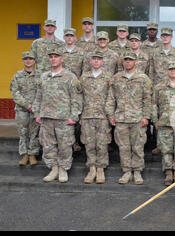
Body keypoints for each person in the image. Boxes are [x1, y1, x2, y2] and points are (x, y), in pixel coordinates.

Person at [33, 48, 82, 183]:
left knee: (65, 145)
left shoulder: (70, 77)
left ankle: (63, 169)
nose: (53, 59)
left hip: (64, 118)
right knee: (48, 145)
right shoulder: (44, 76)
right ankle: (53, 168)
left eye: (56, 56)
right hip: (46, 117)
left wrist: (74, 116)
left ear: (62, 59)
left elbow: (76, 98)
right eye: (51, 57)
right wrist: (37, 113)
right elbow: (38, 96)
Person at [106, 52, 153, 185]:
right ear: (122, 62)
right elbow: (111, 98)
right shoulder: (116, 78)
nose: (128, 62)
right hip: (121, 118)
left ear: (135, 62)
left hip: (137, 118)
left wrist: (146, 116)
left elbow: (147, 99)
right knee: (123, 147)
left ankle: (137, 171)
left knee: (137, 146)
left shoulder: (143, 78)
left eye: (130, 60)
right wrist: (110, 115)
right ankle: (126, 171)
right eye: (125, 60)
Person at [79, 51, 113, 184]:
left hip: (103, 115)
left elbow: (112, 97)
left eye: (99, 59)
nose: (96, 61)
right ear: (90, 61)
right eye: (94, 59)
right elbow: (79, 97)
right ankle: (92, 168)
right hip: (87, 115)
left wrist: (110, 115)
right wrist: (80, 115)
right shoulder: (83, 77)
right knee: (89, 143)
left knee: (102, 143)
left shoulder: (109, 77)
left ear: (103, 62)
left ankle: (100, 169)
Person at [10, 51, 40, 166]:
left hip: (35, 109)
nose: (28, 61)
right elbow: (15, 92)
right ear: (23, 61)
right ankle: (24, 155)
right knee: (23, 132)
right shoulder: (17, 75)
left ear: (34, 61)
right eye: (26, 59)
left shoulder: (40, 75)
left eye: (31, 59)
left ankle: (32, 154)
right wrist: (27, 105)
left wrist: (35, 106)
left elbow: (42, 92)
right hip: (22, 109)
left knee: (34, 132)